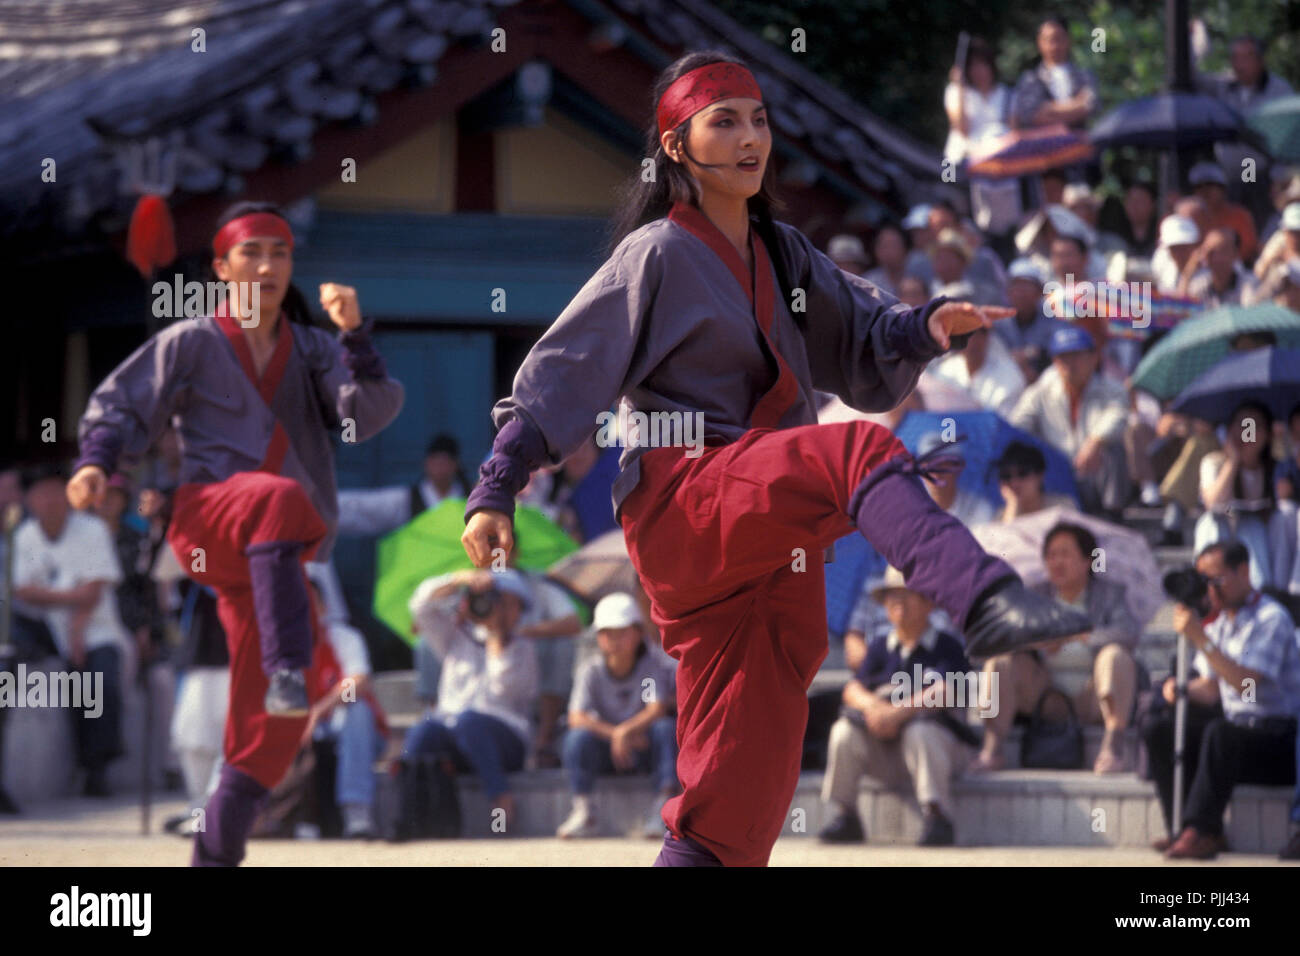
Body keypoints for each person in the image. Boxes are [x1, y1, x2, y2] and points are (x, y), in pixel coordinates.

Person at [458, 50, 1090, 867]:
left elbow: (862, 332)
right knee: (859, 449)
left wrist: (927, 328)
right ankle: (987, 600)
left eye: (758, 118)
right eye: (725, 121)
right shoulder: (654, 254)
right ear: (676, 147)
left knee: (737, 808)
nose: (751, 135)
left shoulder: (785, 253)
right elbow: (565, 372)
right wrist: (497, 485)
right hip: (687, 497)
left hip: (766, 525)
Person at [66, 201, 405, 865]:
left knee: (282, 718)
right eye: (252, 252)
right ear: (221, 268)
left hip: (271, 561)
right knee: (276, 497)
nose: (269, 265)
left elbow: (366, 415)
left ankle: (215, 850)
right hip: (207, 521)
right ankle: (284, 666)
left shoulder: (311, 348)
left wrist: (355, 337)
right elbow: (120, 403)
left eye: (280, 252)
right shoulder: (192, 341)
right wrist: (94, 465)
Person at [1146, 541, 1300, 859]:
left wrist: (1200, 639)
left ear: (1243, 572)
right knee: (1159, 728)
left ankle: (1200, 830)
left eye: (1216, 580)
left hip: (1277, 739)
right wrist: (1180, 688)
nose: (1210, 590)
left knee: (1220, 732)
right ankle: (1187, 828)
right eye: (1205, 582)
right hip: (1236, 738)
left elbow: (1245, 686)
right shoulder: (1220, 623)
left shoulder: (1271, 619)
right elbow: (1213, 688)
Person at [818, 566, 981, 847]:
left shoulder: (946, 646)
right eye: (892, 596)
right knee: (845, 731)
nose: (897, 602)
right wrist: (875, 709)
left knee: (922, 732)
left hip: (941, 750)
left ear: (929, 602)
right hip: (888, 749)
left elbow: (945, 691)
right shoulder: (881, 646)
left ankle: (937, 816)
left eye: (907, 595)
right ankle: (846, 815)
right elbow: (852, 689)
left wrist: (897, 713)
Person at [974, 522, 1143, 774]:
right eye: (1051, 555)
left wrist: (1078, 636)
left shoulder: (1110, 594)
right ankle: (993, 747)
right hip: (1043, 695)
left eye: (1065, 554)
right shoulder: (1033, 594)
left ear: (1087, 560)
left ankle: (1113, 746)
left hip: (1093, 696)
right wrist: (1037, 641)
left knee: (1115, 656)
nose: (1057, 562)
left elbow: (1128, 634)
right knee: (998, 663)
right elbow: (1004, 635)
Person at [12, 460, 129, 797]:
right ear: (30, 498)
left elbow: (93, 593)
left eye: (55, 491)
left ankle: (97, 768)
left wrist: (74, 626)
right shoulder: (25, 536)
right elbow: (21, 591)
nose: (49, 499)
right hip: (46, 633)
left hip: (97, 631)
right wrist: (70, 596)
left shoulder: (92, 530)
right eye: (41, 492)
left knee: (99, 680)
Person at [406, 569, 539, 829]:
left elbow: (503, 689)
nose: (502, 610)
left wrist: (495, 635)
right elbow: (420, 606)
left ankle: (500, 798)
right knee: (423, 731)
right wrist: (459, 580)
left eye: (510, 604)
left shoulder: (524, 648)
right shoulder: (455, 637)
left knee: (469, 722)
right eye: (492, 600)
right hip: (458, 736)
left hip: (506, 741)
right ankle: (416, 815)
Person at [557, 592, 678, 839]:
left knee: (665, 729)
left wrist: (627, 732)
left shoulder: (648, 668)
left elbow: (655, 708)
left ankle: (662, 808)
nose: (614, 640)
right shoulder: (590, 670)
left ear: (637, 633)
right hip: (608, 749)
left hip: (643, 746)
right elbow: (576, 716)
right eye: (607, 632)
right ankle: (584, 810)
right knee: (576, 739)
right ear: (598, 636)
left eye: (621, 632)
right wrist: (616, 734)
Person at [1009, 325, 1131, 517]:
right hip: (1057, 471)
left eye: (1077, 356)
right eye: (1063, 358)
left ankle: (1112, 514)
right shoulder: (1041, 392)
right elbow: (1017, 424)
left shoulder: (1113, 389)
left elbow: (1118, 416)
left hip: (1093, 470)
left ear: (1093, 358)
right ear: (1054, 362)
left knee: (1113, 448)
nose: (1070, 364)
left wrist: (1096, 441)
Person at [302, 576, 389, 839]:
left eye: (310, 603)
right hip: (306, 736)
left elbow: (358, 682)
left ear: (324, 607)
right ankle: (297, 817)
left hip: (353, 732)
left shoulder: (344, 637)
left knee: (356, 708)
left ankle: (357, 814)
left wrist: (318, 712)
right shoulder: (279, 646)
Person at [1194, 401, 1299, 594]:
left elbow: (1284, 504)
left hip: (1262, 535)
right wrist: (1234, 461)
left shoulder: (1275, 467)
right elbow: (1213, 503)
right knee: (1210, 521)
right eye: (1242, 425)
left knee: (1256, 523)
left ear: (1268, 434)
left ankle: (1269, 590)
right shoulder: (1214, 462)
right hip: (1225, 529)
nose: (1248, 433)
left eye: (1254, 426)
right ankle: (1209, 586)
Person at [1010, 17, 1099, 132]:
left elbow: (1091, 106)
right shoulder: (1030, 78)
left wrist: (1049, 109)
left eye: (1058, 39)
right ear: (1039, 42)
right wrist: (1076, 104)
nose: (1054, 46)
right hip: (1044, 145)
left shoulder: (1085, 75)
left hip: (1080, 142)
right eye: (1049, 40)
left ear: (1068, 40)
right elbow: (1032, 116)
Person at [943, 37, 1010, 166]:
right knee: (947, 181)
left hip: (996, 161)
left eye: (983, 64)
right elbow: (962, 129)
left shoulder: (1005, 93)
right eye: (973, 65)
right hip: (956, 161)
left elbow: (1013, 132)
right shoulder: (954, 91)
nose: (978, 71)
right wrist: (960, 87)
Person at [1187, 162, 1258, 264]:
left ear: (1223, 189)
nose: (1205, 191)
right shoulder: (1190, 217)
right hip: (1198, 271)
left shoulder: (1239, 215)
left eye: (1210, 185)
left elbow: (1249, 249)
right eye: (1199, 187)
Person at [992, 440, 1076, 523]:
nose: (1014, 483)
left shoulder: (1063, 507)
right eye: (1006, 476)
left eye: (1022, 473)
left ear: (1040, 475)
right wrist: (1013, 504)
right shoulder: (1000, 518)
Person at [1180, 227, 1258, 308]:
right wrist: (1187, 274)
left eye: (1216, 250)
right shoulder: (1199, 286)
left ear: (1235, 254)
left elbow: (1250, 312)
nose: (1208, 255)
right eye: (1206, 249)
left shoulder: (1250, 283)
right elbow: (1180, 310)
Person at [862, 224, 908, 297]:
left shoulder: (916, 278)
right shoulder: (868, 282)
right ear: (876, 251)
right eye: (885, 246)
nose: (889, 251)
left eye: (894, 245)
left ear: (904, 249)